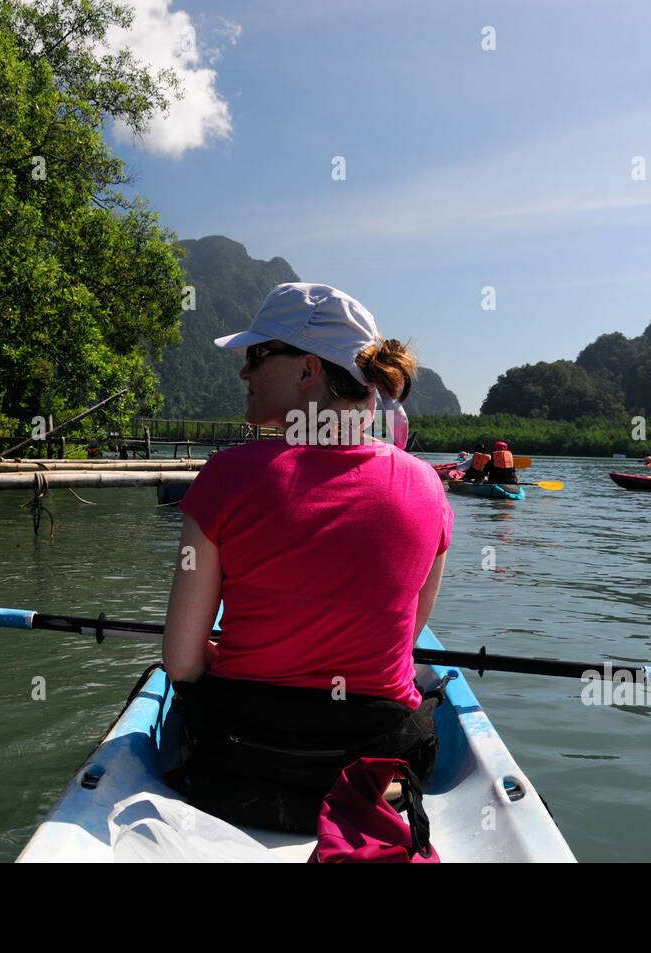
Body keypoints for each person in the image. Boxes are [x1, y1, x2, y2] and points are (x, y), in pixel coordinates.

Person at [161, 282, 454, 833]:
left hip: (241, 768)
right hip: (369, 776)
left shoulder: (226, 476)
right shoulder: (428, 487)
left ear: (306, 371)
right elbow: (406, 632)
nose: (243, 374)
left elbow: (181, 663)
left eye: (256, 356)